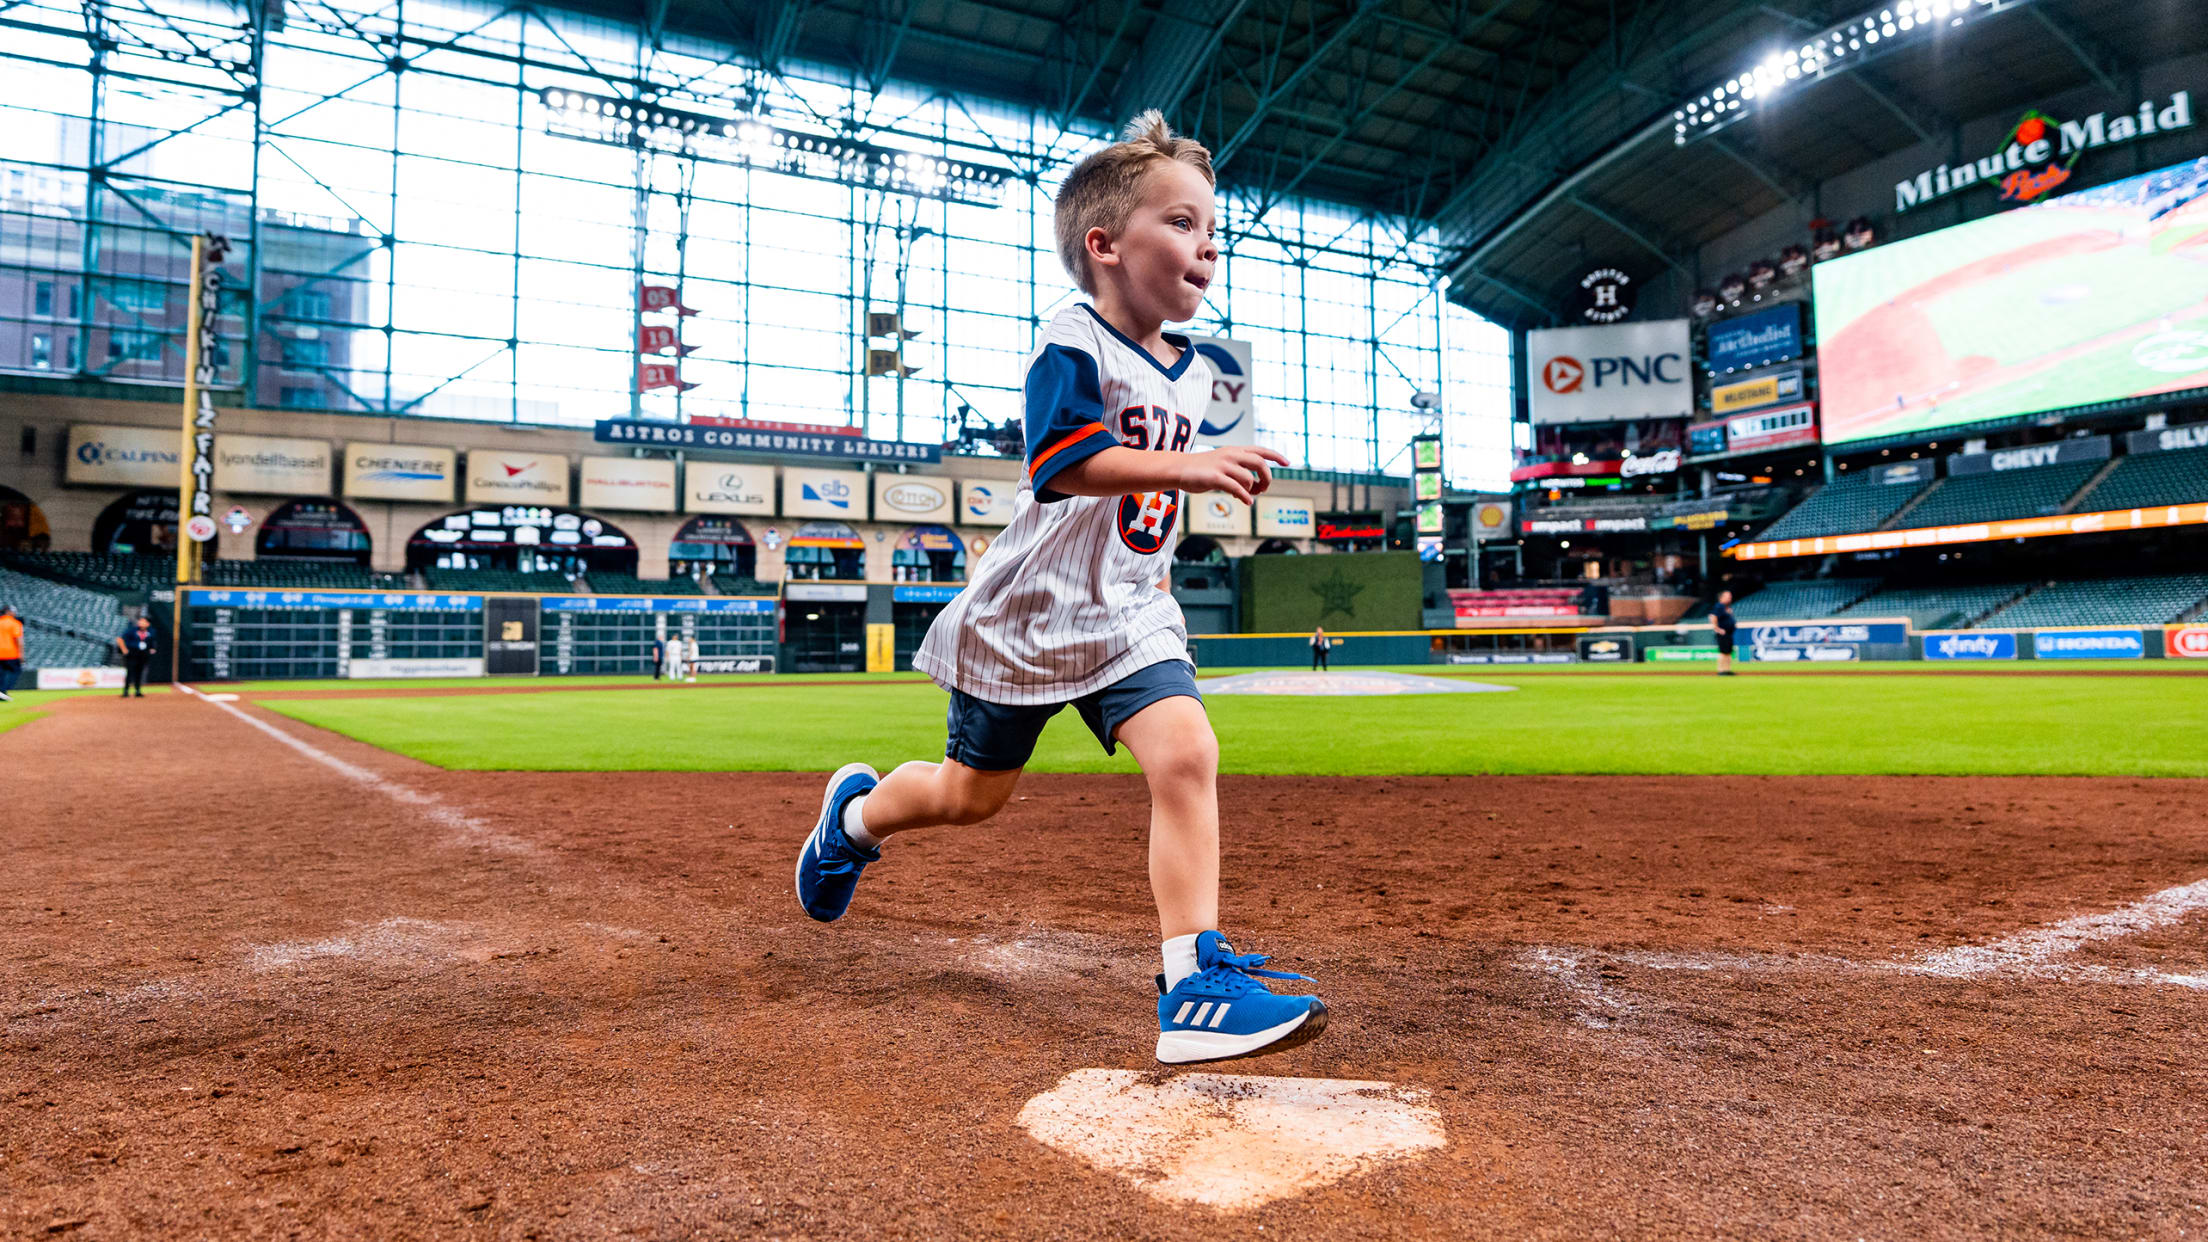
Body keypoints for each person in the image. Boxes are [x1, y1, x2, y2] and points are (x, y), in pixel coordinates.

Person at [793, 112, 1323, 1067]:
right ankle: (855, 819)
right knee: (968, 798)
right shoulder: (1069, 334)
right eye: (1184, 224)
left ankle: (1191, 981)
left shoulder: (1198, 372)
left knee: (1186, 752)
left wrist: (1190, 470)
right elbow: (1062, 461)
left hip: (1128, 613)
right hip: (1027, 617)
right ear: (1106, 244)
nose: (1209, 246)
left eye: (1213, 231)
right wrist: (1196, 467)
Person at [115, 614, 157, 697]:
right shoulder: (132, 630)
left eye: (143, 621)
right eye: (140, 621)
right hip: (132, 653)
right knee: (130, 672)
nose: (140, 622)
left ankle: (137, 690)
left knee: (139, 672)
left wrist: (152, 648)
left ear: (148, 623)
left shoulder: (151, 631)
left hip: (143, 654)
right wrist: (124, 650)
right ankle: (126, 691)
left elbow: (153, 641)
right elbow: (120, 639)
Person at [1712, 589, 1738, 676]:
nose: (1730, 598)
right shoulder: (1719, 606)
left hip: (1729, 633)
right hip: (1723, 633)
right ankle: (1721, 670)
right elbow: (1713, 616)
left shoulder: (1726, 608)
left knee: (1728, 652)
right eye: (1728, 596)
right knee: (1723, 652)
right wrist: (1717, 629)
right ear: (1722, 597)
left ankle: (1727, 670)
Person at [0, 604, 21, 702]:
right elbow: (18, 640)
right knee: (16, 671)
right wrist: (21, 654)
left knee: (2, 673)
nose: (14, 613)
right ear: (8, 612)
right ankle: (4, 690)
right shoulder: (15, 623)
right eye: (13, 611)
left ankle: (2, 691)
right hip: (10, 653)